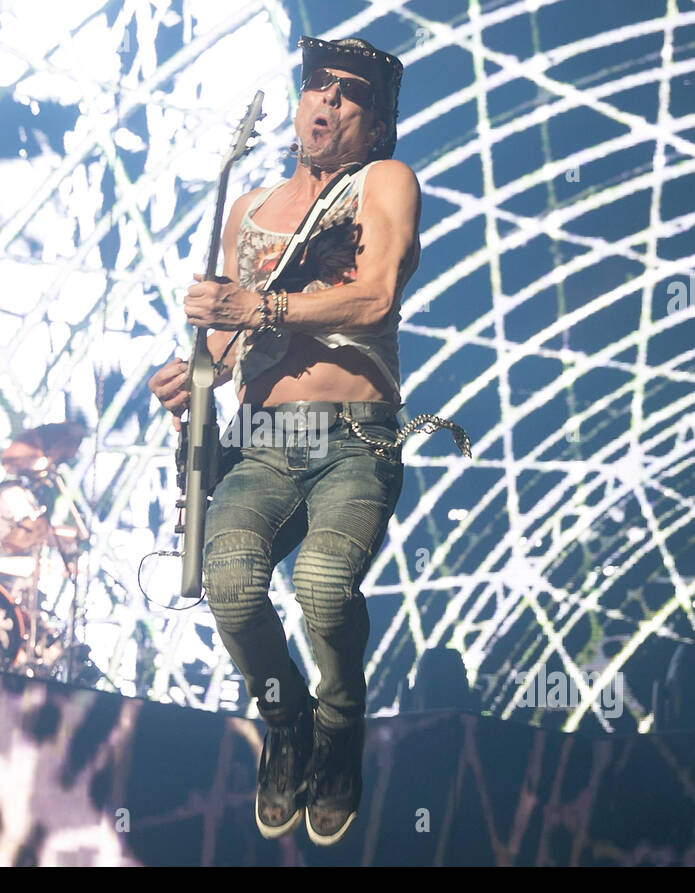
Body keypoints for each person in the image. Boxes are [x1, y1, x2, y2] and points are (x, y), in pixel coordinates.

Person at [149, 35, 418, 846]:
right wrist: (192, 373)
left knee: (327, 588)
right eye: (315, 88)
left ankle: (339, 729)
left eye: (348, 96)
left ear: (374, 126)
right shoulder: (249, 211)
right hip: (259, 439)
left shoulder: (385, 182)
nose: (325, 103)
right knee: (229, 586)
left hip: (352, 438)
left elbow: (373, 295)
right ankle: (288, 722)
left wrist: (254, 312)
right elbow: (233, 345)